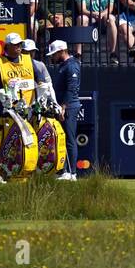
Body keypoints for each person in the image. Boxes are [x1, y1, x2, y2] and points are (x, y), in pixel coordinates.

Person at [46, 40, 81, 180]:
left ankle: (71, 173)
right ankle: (64, 170)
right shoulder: (64, 65)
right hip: (63, 106)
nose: (52, 57)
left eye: (54, 54)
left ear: (62, 51)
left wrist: (63, 107)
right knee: (62, 138)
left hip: (69, 107)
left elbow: (71, 88)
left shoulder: (72, 66)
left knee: (69, 139)